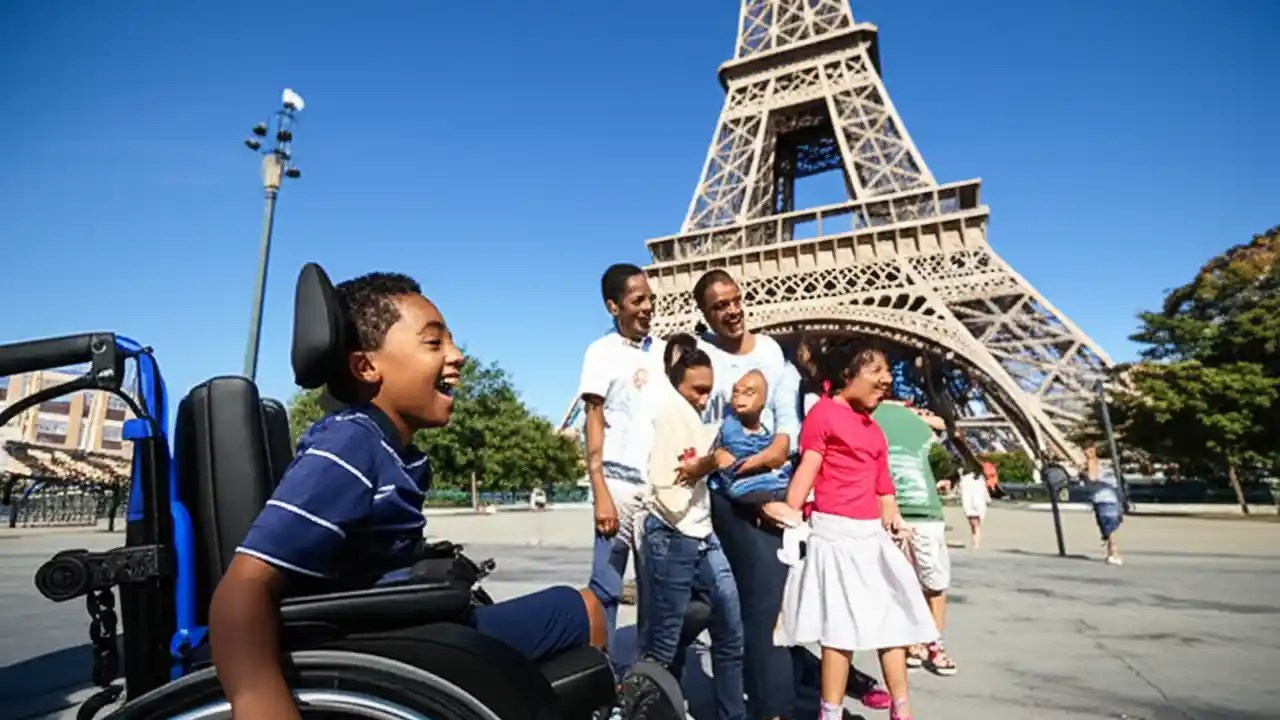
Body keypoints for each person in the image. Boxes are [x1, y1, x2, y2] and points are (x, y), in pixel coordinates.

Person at [209, 272, 606, 719]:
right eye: (434, 343)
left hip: (405, 626)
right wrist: (259, 699)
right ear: (366, 367)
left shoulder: (383, 447)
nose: (457, 356)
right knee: (585, 608)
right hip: (389, 644)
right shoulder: (349, 446)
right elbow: (245, 583)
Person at [775, 337, 939, 720]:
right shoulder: (824, 414)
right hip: (836, 535)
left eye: (887, 370)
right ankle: (829, 712)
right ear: (848, 374)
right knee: (840, 632)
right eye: (876, 370)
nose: (886, 379)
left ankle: (902, 709)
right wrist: (790, 510)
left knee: (893, 622)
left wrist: (894, 518)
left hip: (871, 535)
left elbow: (883, 487)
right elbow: (810, 466)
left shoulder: (873, 428)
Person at [641, 333, 745, 720]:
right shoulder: (669, 412)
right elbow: (669, 479)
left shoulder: (685, 413)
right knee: (668, 643)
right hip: (675, 533)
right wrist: (708, 462)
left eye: (708, 391)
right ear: (676, 381)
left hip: (700, 533)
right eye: (697, 390)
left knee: (723, 632)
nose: (703, 398)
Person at [578, 263, 668, 670]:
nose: (648, 306)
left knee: (656, 590)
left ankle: (648, 674)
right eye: (637, 300)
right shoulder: (601, 353)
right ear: (613, 307)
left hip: (657, 491)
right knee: (606, 588)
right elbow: (593, 420)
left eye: (650, 298)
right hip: (616, 484)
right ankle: (603, 675)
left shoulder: (666, 351)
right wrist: (600, 493)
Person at [872, 398, 959, 676]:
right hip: (925, 511)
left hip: (890, 511)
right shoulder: (921, 427)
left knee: (898, 584)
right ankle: (933, 642)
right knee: (933, 584)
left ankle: (911, 642)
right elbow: (943, 465)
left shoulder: (869, 419)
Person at [713, 370, 793, 504]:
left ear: (763, 401)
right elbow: (739, 457)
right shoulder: (731, 427)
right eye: (736, 392)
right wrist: (765, 457)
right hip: (743, 484)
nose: (740, 398)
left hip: (764, 479)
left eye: (749, 394)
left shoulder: (764, 429)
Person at [1085, 446, 1125, 566]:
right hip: (1113, 498)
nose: (1086, 453)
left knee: (1107, 527)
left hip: (1102, 498)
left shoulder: (1092, 462)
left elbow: (1092, 478)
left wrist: (1086, 473)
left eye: (1088, 450)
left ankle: (1114, 553)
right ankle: (1111, 553)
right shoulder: (1108, 463)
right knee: (1109, 527)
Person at [958, 461, 991, 548]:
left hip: (969, 505)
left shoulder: (965, 479)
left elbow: (962, 491)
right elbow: (984, 491)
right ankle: (975, 544)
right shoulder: (980, 479)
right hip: (978, 504)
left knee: (974, 526)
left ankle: (975, 544)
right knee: (977, 527)